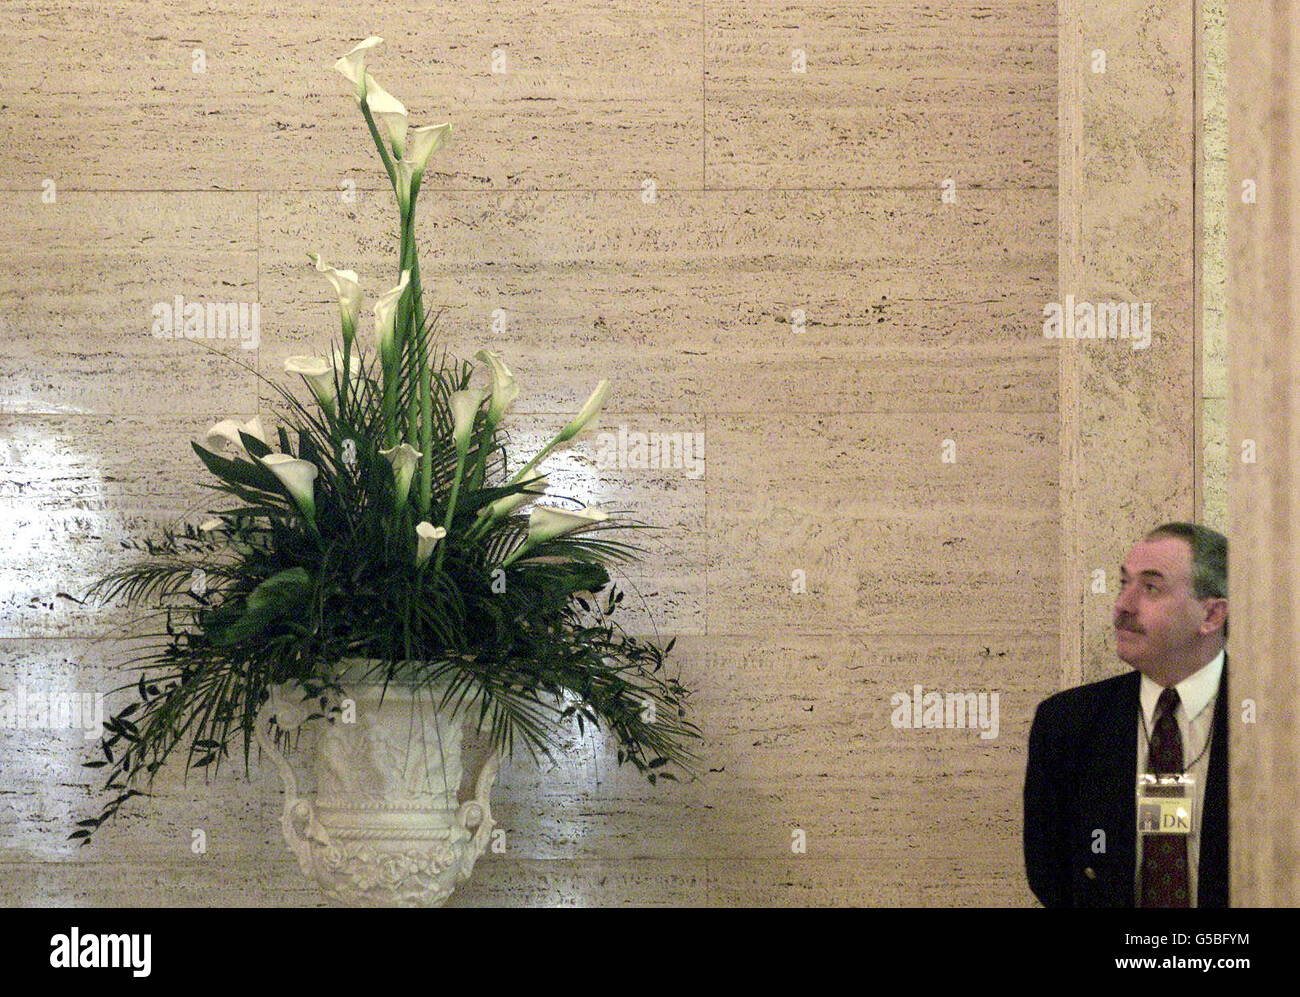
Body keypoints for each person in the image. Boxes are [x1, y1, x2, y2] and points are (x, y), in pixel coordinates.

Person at [1023, 522, 1229, 907]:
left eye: (1150, 587)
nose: (1123, 605)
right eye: (1123, 583)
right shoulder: (1067, 723)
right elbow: (1052, 875)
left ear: (1211, 615)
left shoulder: (1275, 723)